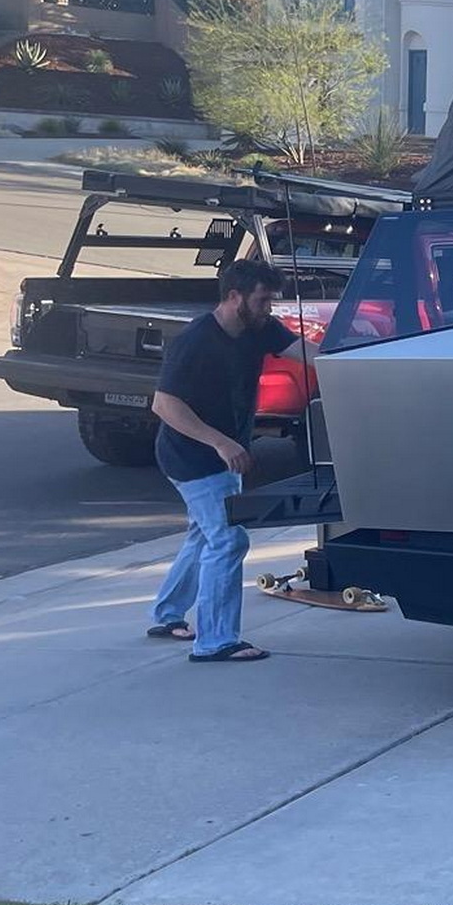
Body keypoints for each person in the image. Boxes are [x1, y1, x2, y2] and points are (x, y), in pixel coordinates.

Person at [144, 256, 294, 661]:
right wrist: (222, 443)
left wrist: (353, 359)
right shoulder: (196, 340)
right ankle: (215, 642)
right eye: (263, 300)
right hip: (192, 456)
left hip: (221, 456)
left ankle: (167, 612)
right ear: (234, 297)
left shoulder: (257, 329)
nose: (269, 309)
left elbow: (305, 351)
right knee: (228, 540)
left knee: (205, 533)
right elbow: (164, 404)